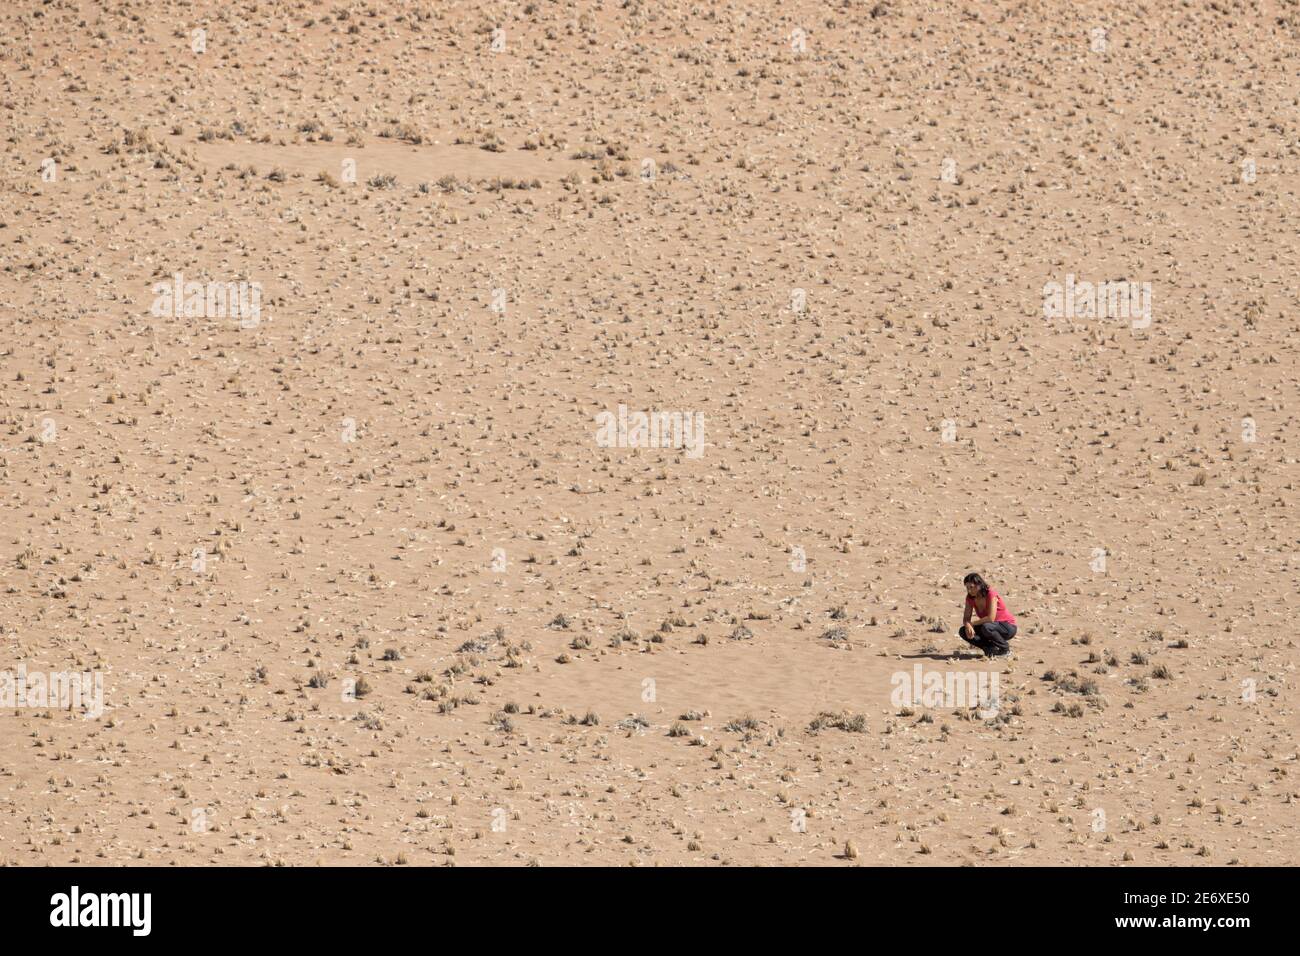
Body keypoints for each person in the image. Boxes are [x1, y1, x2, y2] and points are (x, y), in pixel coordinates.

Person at [958, 572, 1017, 658]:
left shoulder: (990, 594)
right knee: (963, 631)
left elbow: (991, 618)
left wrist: (972, 624)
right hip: (990, 627)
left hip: (1007, 627)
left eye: (971, 587)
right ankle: (990, 648)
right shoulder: (970, 598)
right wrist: (967, 625)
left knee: (986, 627)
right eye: (967, 588)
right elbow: (966, 617)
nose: (969, 590)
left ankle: (1005, 649)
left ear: (979, 585)